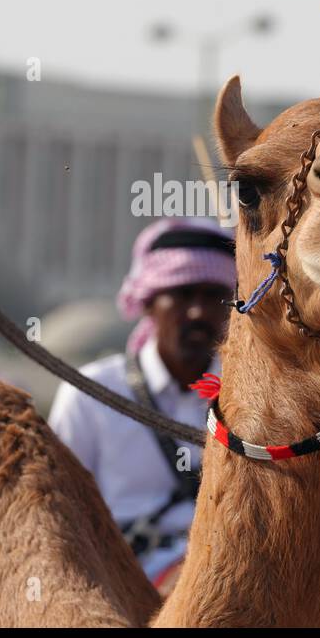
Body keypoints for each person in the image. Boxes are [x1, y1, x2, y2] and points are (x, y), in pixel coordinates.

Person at [48, 218, 235, 586]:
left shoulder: (254, 397)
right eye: (182, 295)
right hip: (117, 580)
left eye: (213, 296)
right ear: (149, 304)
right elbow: (56, 511)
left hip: (229, 574)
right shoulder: (91, 393)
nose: (198, 312)